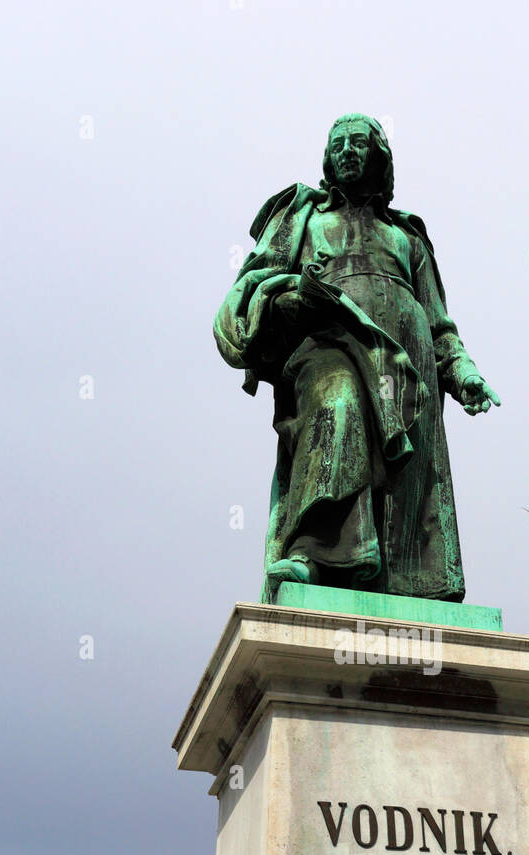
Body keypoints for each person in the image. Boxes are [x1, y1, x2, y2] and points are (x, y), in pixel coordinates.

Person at [214, 113, 500, 602]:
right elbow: (257, 293)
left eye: (359, 144)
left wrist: (464, 373)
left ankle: (406, 586)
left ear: (378, 157)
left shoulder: (407, 236)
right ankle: (314, 553)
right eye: (338, 143)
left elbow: (439, 326)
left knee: (407, 481)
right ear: (328, 157)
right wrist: (299, 298)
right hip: (329, 343)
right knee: (336, 406)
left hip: (406, 365)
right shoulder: (306, 220)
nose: (347, 151)